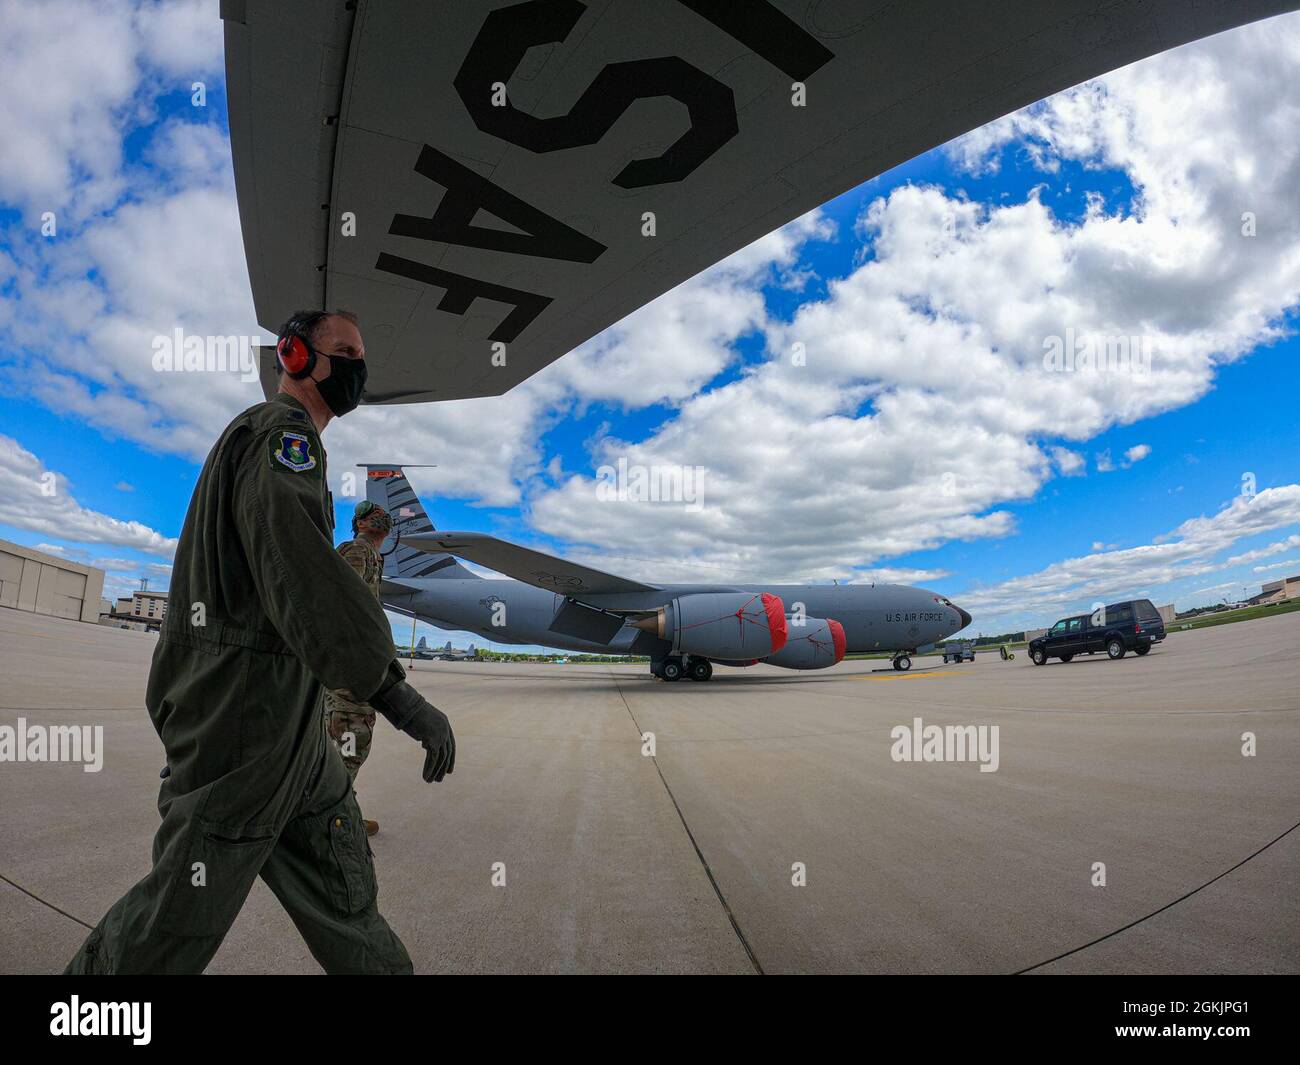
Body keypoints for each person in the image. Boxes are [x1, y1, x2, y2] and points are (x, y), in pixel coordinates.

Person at [64, 310, 455, 975]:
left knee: (345, 893)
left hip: (292, 731)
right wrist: (397, 695)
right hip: (246, 730)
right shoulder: (281, 435)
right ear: (296, 356)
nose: (360, 366)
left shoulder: (293, 445)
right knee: (173, 925)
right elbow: (300, 571)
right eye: (346, 351)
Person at [325, 500, 393, 835]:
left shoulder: (373, 557)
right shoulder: (357, 550)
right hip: (349, 669)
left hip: (353, 665)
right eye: (372, 514)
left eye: (383, 514)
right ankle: (335, 819)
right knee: (353, 740)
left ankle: (336, 811)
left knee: (342, 742)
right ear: (360, 522)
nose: (381, 518)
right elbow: (339, 602)